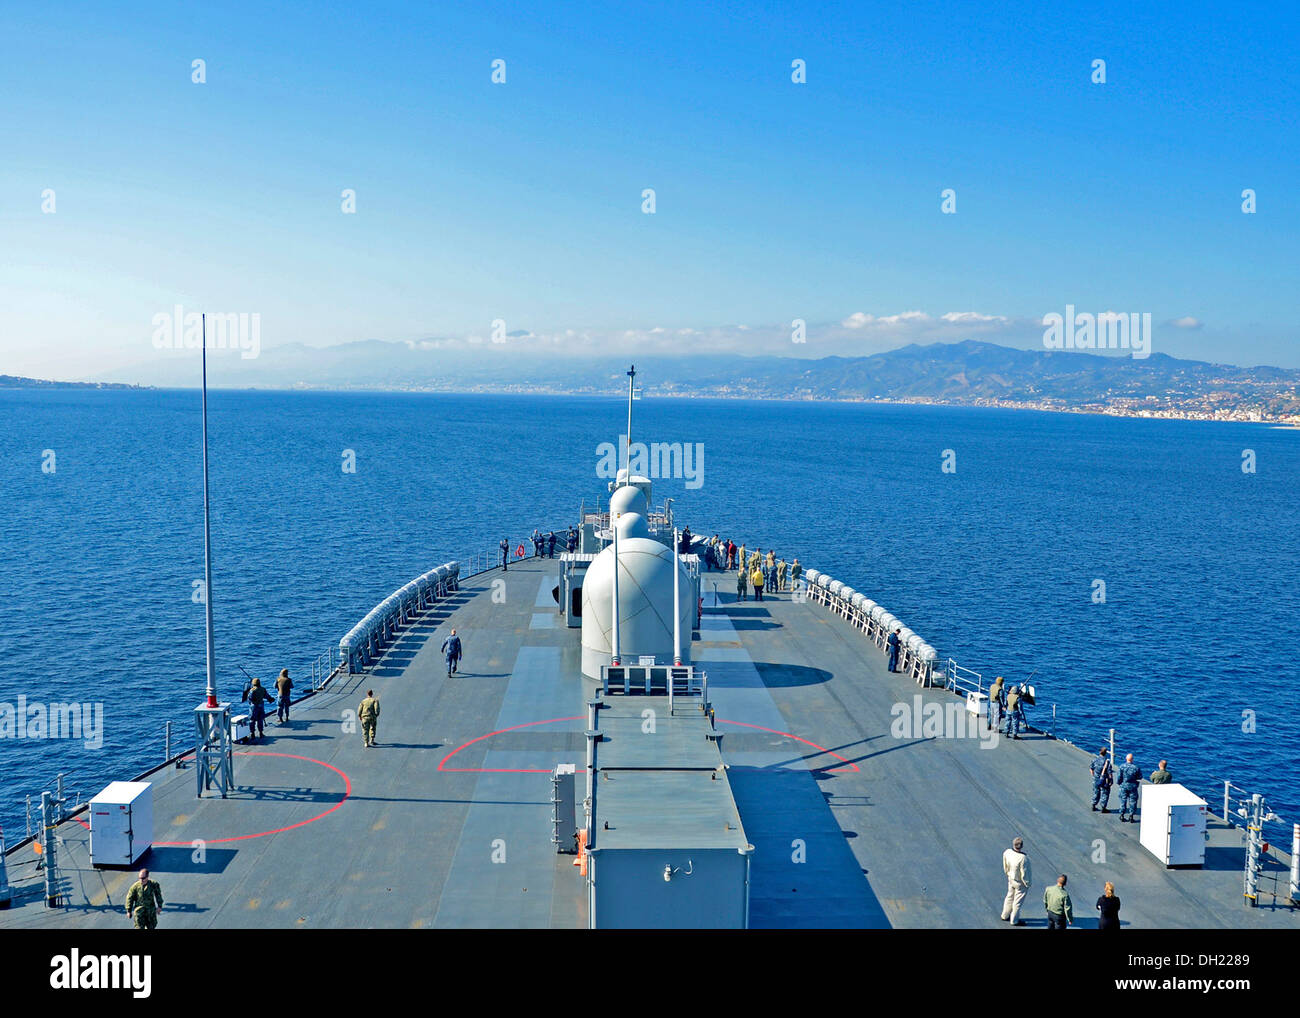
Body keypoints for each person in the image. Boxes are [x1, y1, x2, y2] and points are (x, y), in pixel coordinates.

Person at [1000, 837, 1031, 926]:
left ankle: (1005, 915)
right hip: (1019, 883)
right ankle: (1014, 920)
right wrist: (1027, 884)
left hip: (1011, 879)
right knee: (1017, 902)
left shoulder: (1007, 852)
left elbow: (1005, 865)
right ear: (1021, 846)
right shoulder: (1023, 858)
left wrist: (1008, 874)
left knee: (1009, 897)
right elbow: (1024, 873)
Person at [1116, 754, 1142, 822]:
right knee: (1133, 801)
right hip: (1133, 786)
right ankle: (1131, 816)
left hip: (1123, 786)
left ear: (1126, 759)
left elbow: (1119, 777)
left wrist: (1119, 783)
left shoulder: (1121, 766)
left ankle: (1122, 815)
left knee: (1123, 800)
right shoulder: (1136, 767)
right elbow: (1140, 777)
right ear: (1132, 759)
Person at [1090, 747, 1113, 812]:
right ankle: (1103, 808)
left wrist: (1094, 776)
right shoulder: (1107, 762)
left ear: (1100, 752)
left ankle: (1093, 805)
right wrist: (1111, 780)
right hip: (1104, 780)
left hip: (1096, 779)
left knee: (1096, 792)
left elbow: (1091, 769)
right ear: (1105, 753)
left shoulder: (1094, 760)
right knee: (1105, 793)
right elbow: (1109, 772)